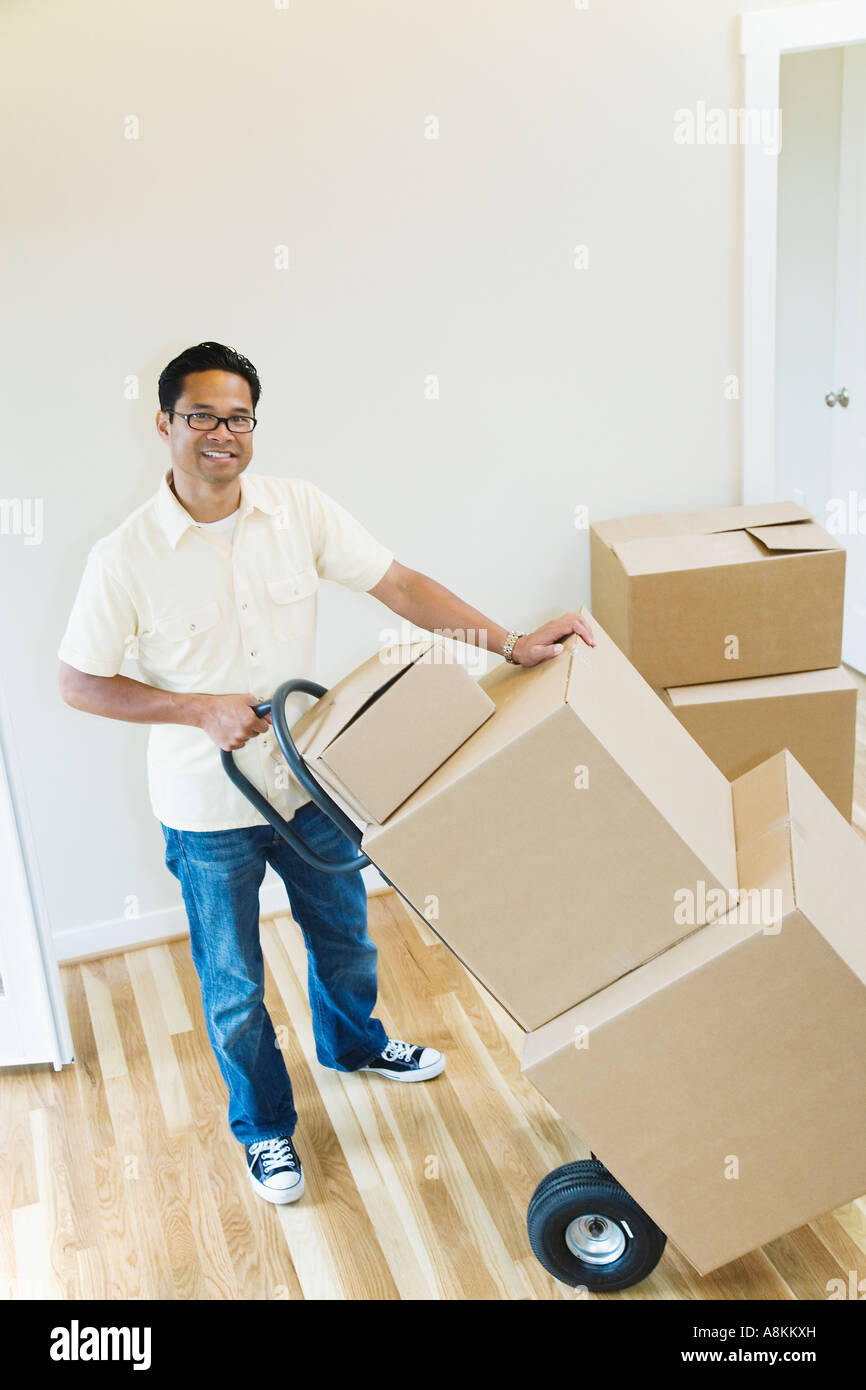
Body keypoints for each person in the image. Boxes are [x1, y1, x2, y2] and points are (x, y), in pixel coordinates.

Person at [58, 341, 595, 1206]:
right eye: (200, 416)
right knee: (234, 988)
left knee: (345, 936)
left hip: (306, 784)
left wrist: (511, 642)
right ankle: (265, 1131)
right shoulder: (124, 557)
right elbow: (79, 682)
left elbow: (402, 585)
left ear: (253, 427)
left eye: (238, 417)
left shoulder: (296, 510)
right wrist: (197, 708)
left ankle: (354, 1044)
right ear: (164, 424)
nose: (220, 434)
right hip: (207, 806)